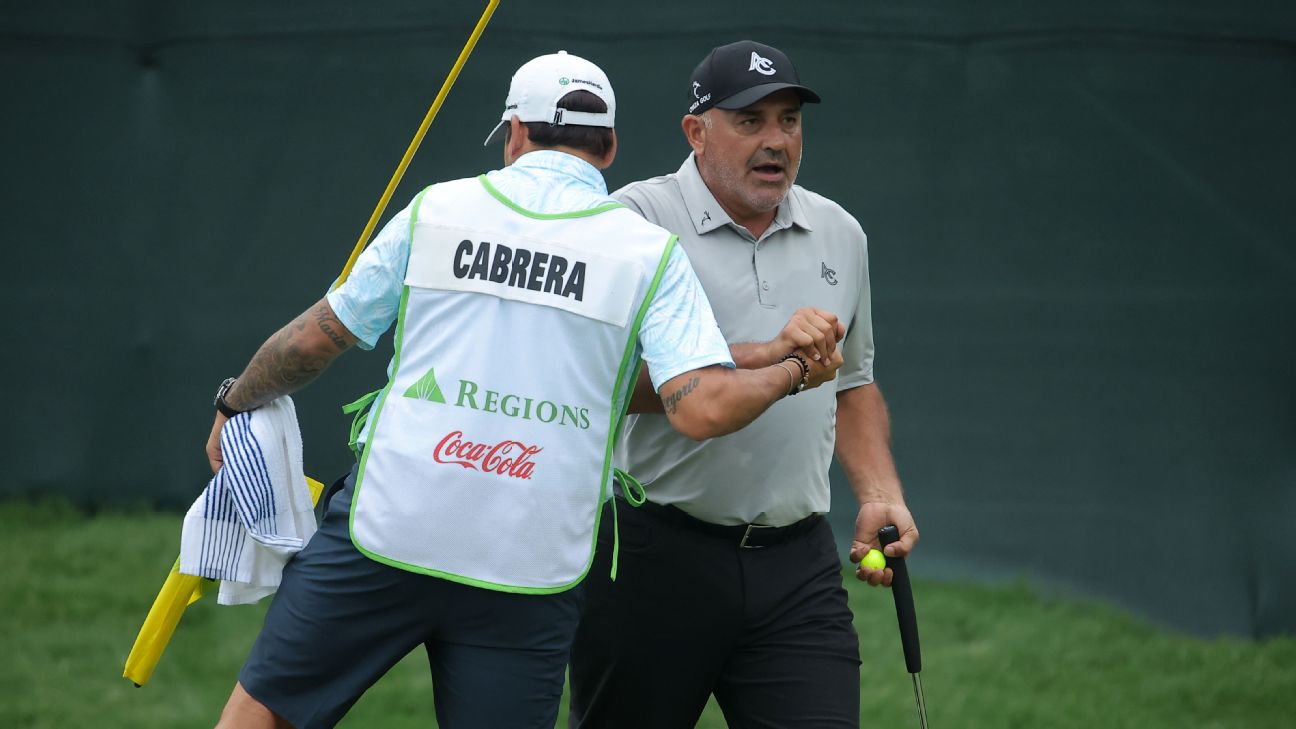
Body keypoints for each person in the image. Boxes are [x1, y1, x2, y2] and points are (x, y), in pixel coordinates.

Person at [201, 50, 842, 729]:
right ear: (610, 147)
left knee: (260, 717)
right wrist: (794, 369)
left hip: (387, 531)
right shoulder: (645, 250)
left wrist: (234, 401)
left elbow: (310, 342)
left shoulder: (437, 209)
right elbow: (703, 404)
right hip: (530, 565)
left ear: (515, 132)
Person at [569, 40, 920, 729]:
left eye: (788, 120)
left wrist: (880, 494)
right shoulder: (635, 222)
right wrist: (775, 362)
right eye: (750, 121)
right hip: (652, 556)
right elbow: (603, 377)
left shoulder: (840, 233)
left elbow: (852, 383)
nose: (776, 141)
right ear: (696, 132)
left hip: (797, 567)